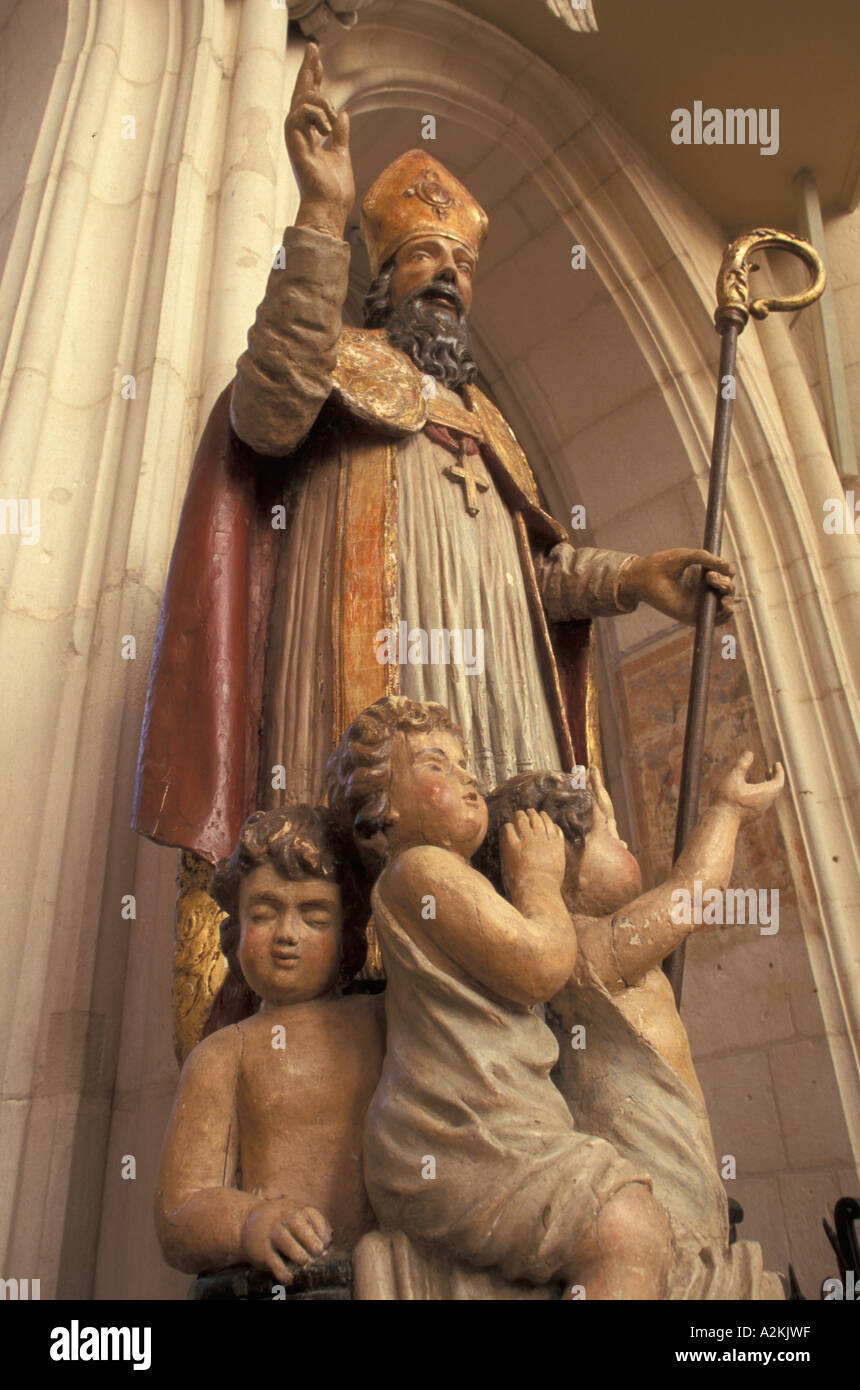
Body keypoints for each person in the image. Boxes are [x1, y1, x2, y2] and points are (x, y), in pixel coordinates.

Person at [132, 40, 736, 878]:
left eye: (460, 265)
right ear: (383, 278)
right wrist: (320, 213)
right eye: (424, 256)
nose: (447, 274)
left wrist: (635, 578)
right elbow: (265, 415)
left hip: (499, 689)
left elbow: (539, 578)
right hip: (365, 669)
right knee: (375, 869)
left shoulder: (489, 421)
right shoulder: (335, 364)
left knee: (530, 875)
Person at [327, 696, 674, 1299]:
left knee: (632, 1218)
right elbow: (540, 965)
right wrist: (538, 879)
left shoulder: (449, 877)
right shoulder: (419, 872)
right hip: (449, 1137)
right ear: (384, 810)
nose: (465, 778)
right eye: (436, 765)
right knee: (627, 1227)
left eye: (466, 765)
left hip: (496, 1124)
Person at [474, 758, 786, 1298]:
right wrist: (727, 810)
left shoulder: (581, 949)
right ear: (561, 866)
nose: (624, 841)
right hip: (647, 1159)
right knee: (677, 1270)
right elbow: (694, 889)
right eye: (607, 832)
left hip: (667, 1146)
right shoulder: (586, 951)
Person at [154, 806, 384, 1283]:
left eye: (314, 916)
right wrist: (251, 1222)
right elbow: (179, 1211)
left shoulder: (384, 1024)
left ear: (348, 935)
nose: (286, 935)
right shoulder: (224, 1054)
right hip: (279, 1285)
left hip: (384, 1277)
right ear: (235, 932)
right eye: (264, 913)